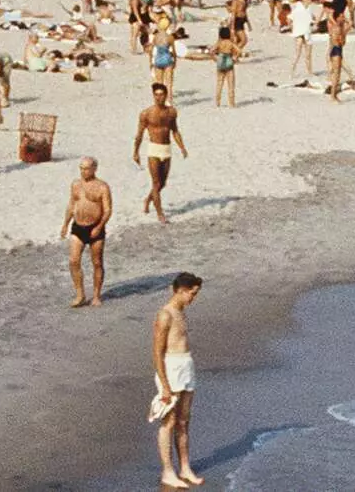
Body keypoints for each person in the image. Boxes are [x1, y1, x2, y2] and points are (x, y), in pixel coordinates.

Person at [152, 272, 205, 489]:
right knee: (169, 421)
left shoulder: (182, 312)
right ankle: (167, 471)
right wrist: (165, 385)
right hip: (171, 367)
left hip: (186, 365)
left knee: (184, 421)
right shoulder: (165, 315)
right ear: (181, 290)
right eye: (192, 294)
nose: (193, 298)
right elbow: (157, 352)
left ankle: (185, 467)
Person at [60, 157, 112, 308]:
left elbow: (108, 210)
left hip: (95, 227)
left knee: (97, 262)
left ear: (95, 168)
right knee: (73, 261)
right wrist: (65, 224)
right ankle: (80, 294)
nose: (84, 171)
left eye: (87, 168)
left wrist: (99, 226)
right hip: (78, 227)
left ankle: (96, 295)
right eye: (81, 168)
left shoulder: (102, 187)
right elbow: (71, 204)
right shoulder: (75, 184)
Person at [133, 83, 189, 224]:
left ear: (166, 95)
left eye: (161, 94)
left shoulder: (172, 112)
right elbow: (139, 134)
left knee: (162, 183)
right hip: (154, 149)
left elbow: (175, 130)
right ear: (153, 96)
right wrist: (136, 152)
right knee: (156, 182)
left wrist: (182, 147)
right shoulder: (146, 113)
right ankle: (160, 213)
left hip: (166, 148)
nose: (159, 98)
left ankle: (147, 199)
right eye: (156, 95)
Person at [326, 12, 350, 103]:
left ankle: (334, 94)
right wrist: (345, 32)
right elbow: (340, 42)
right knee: (336, 74)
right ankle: (333, 96)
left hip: (337, 50)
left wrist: (346, 28)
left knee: (337, 74)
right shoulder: (337, 28)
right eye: (341, 17)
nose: (343, 18)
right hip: (336, 50)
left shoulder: (339, 27)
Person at [210, 26, 236, 108]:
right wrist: (235, 58)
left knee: (219, 83)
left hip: (220, 61)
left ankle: (217, 103)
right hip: (229, 61)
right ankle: (231, 103)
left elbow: (211, 51)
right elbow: (239, 50)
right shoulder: (230, 43)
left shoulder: (219, 43)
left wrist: (215, 59)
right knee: (231, 84)